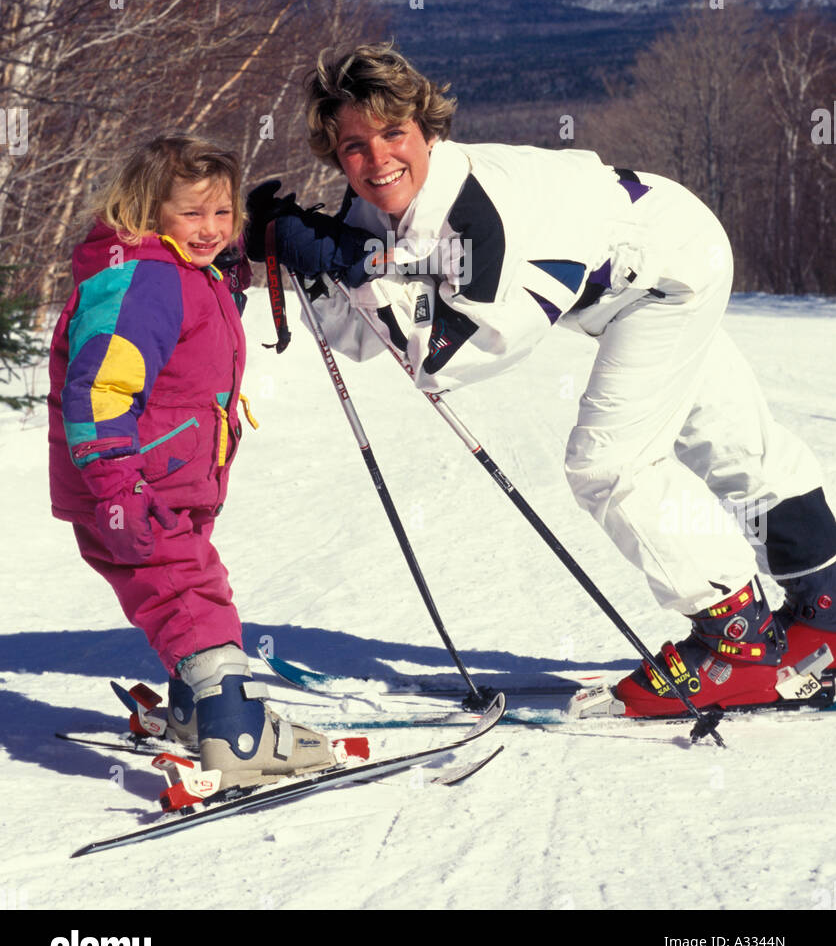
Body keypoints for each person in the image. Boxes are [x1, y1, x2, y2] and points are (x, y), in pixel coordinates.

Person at [245, 42, 836, 718]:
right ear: (333, 152)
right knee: (728, 434)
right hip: (644, 260)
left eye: (393, 133)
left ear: (427, 129)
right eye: (354, 145)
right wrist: (319, 268)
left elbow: (450, 357)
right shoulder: (374, 205)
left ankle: (738, 642)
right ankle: (828, 608)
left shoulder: (480, 216)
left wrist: (355, 270)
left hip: (665, 275)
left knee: (610, 464)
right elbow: (360, 336)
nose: (377, 159)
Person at [48, 135, 335, 785]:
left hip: (165, 481)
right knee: (194, 594)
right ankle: (235, 736)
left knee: (175, 595)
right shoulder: (143, 280)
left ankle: (194, 710)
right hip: (130, 484)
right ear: (150, 211)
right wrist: (119, 486)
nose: (210, 229)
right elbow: (99, 390)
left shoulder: (181, 271)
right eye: (191, 213)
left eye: (222, 213)